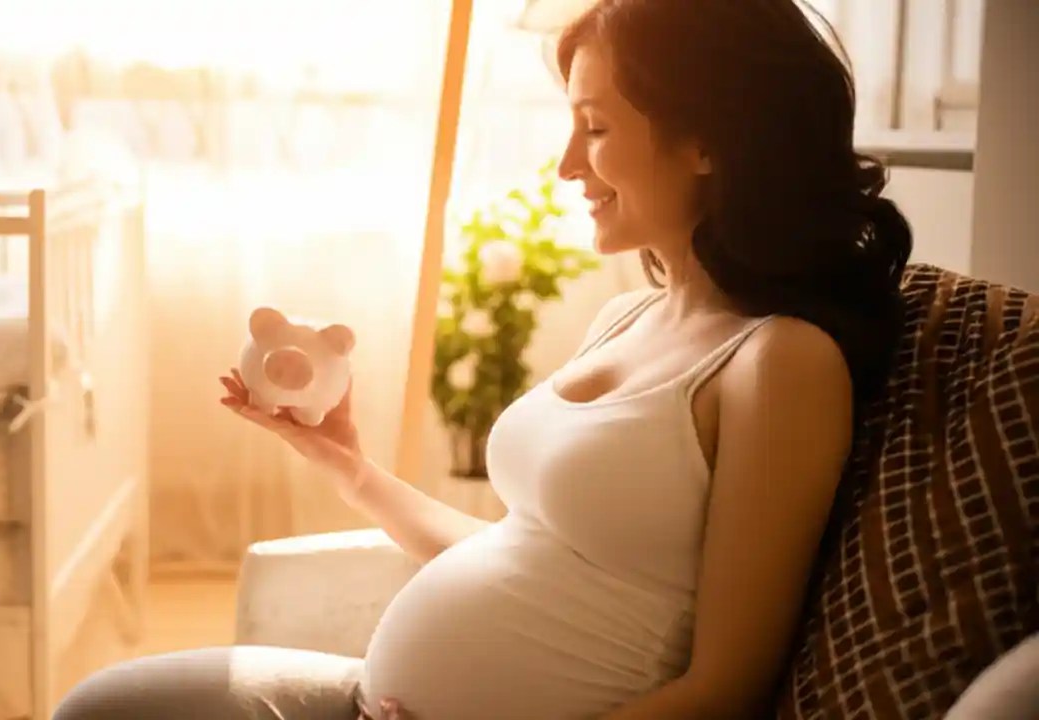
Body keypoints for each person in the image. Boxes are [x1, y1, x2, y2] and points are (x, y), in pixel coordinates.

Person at [53, 0, 912, 717]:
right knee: (100, 708)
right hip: (376, 703)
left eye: (596, 127)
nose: (568, 164)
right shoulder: (625, 318)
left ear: (709, 142)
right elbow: (516, 553)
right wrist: (349, 468)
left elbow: (726, 688)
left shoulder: (779, 363)